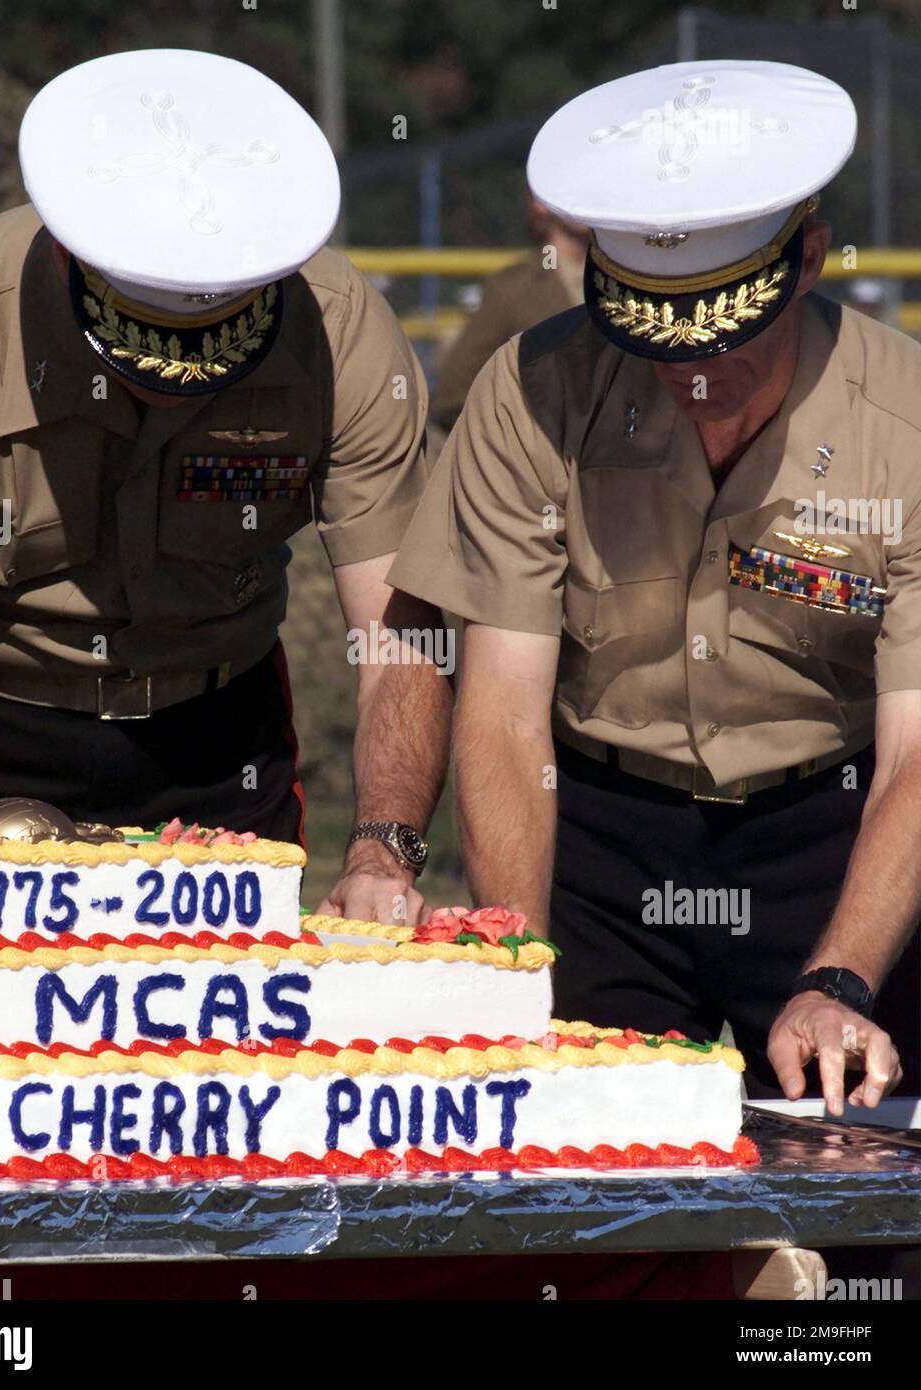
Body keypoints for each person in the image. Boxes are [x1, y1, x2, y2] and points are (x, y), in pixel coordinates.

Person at [388, 60, 920, 1112]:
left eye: (727, 338)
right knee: (582, 1164)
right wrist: (517, 962)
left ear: (808, 261)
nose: (691, 374)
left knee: (864, 1159)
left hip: (834, 831)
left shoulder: (904, 427)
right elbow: (502, 716)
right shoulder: (533, 394)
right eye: (652, 339)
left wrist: (838, 979)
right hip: (598, 836)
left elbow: (914, 750)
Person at [0, 49, 449, 924]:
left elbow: (399, 636)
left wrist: (383, 847)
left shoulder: (339, 332)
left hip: (218, 740)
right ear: (71, 265)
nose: (179, 402)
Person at [431, 197, 588, 433]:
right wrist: (520, 441)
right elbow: (453, 396)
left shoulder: (627, 279)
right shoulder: (513, 289)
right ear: (540, 203)